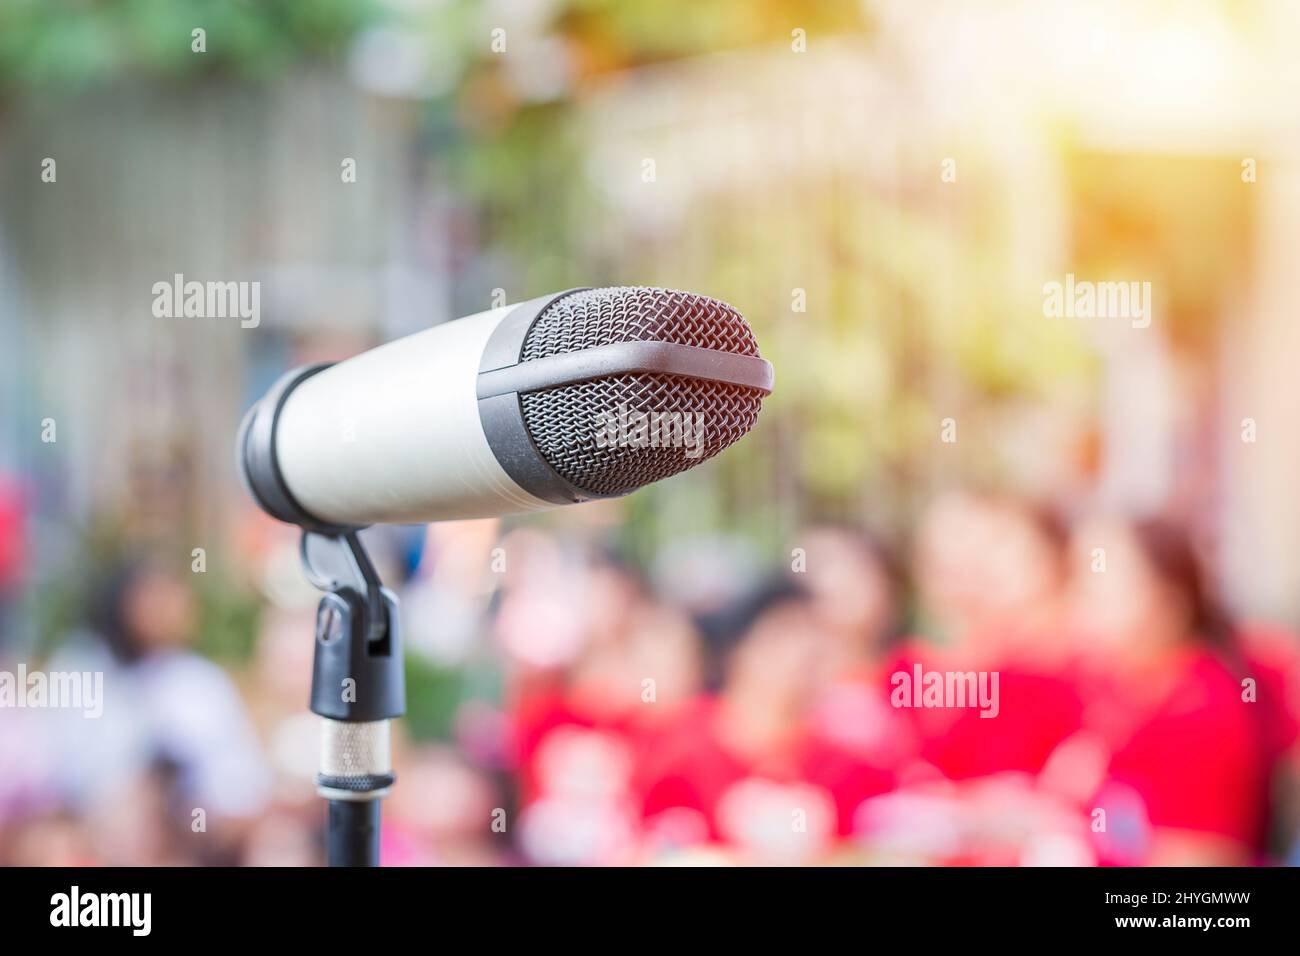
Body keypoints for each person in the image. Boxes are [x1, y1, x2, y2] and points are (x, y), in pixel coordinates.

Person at [1069, 519, 1268, 865]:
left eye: (1100, 592)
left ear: (1168, 605)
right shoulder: (1117, 694)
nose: (1082, 609)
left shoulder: (1201, 712)